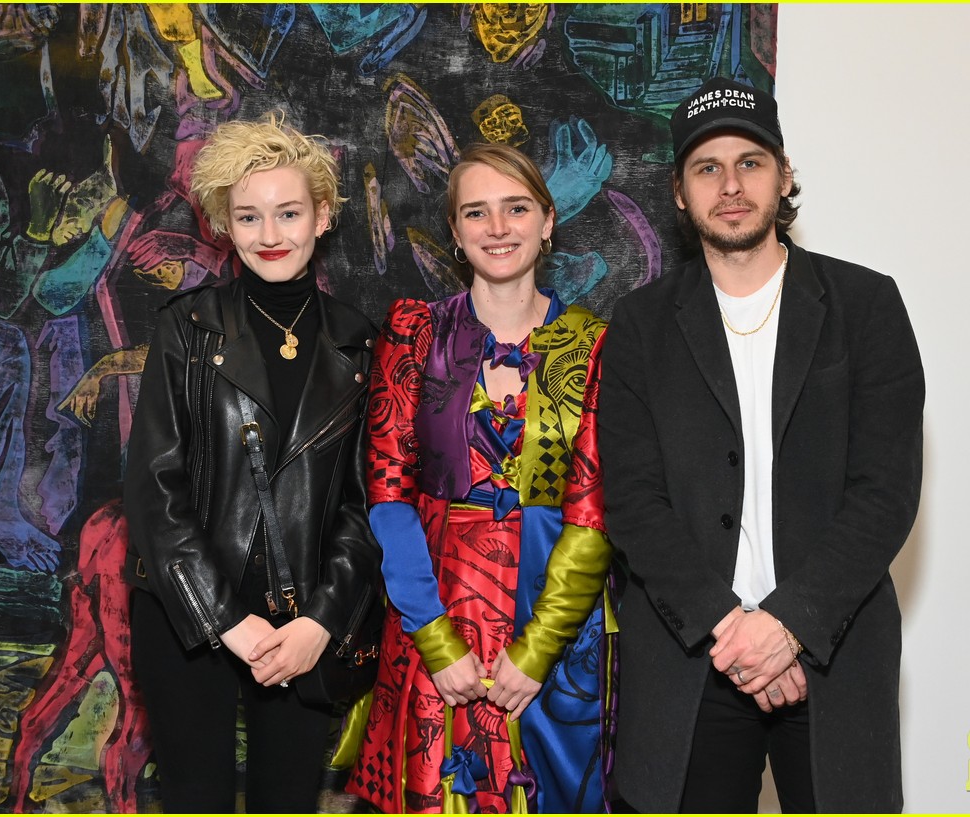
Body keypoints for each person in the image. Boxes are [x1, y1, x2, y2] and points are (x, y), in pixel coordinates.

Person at [598, 77, 925, 813]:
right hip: (692, 659)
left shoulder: (867, 306)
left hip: (832, 652)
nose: (731, 184)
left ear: (783, 175)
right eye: (706, 168)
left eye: (750, 162)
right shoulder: (641, 325)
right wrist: (736, 629)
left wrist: (786, 626)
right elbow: (634, 504)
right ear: (680, 194)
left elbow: (885, 493)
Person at [343, 143, 614, 813]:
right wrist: (435, 638)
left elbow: (594, 510)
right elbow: (388, 498)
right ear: (457, 233)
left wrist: (538, 648)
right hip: (436, 622)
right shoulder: (414, 334)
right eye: (476, 212)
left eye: (516, 208)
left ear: (548, 222)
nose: (498, 227)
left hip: (554, 627)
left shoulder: (597, 343)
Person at [123, 113, 381, 812]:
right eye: (249, 215)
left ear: (322, 216)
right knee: (195, 796)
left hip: (304, 622)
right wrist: (227, 620)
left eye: (289, 212)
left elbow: (368, 504)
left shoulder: (360, 344)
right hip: (189, 618)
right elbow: (154, 489)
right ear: (223, 225)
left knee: (289, 800)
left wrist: (319, 621)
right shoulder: (188, 327)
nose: (271, 235)